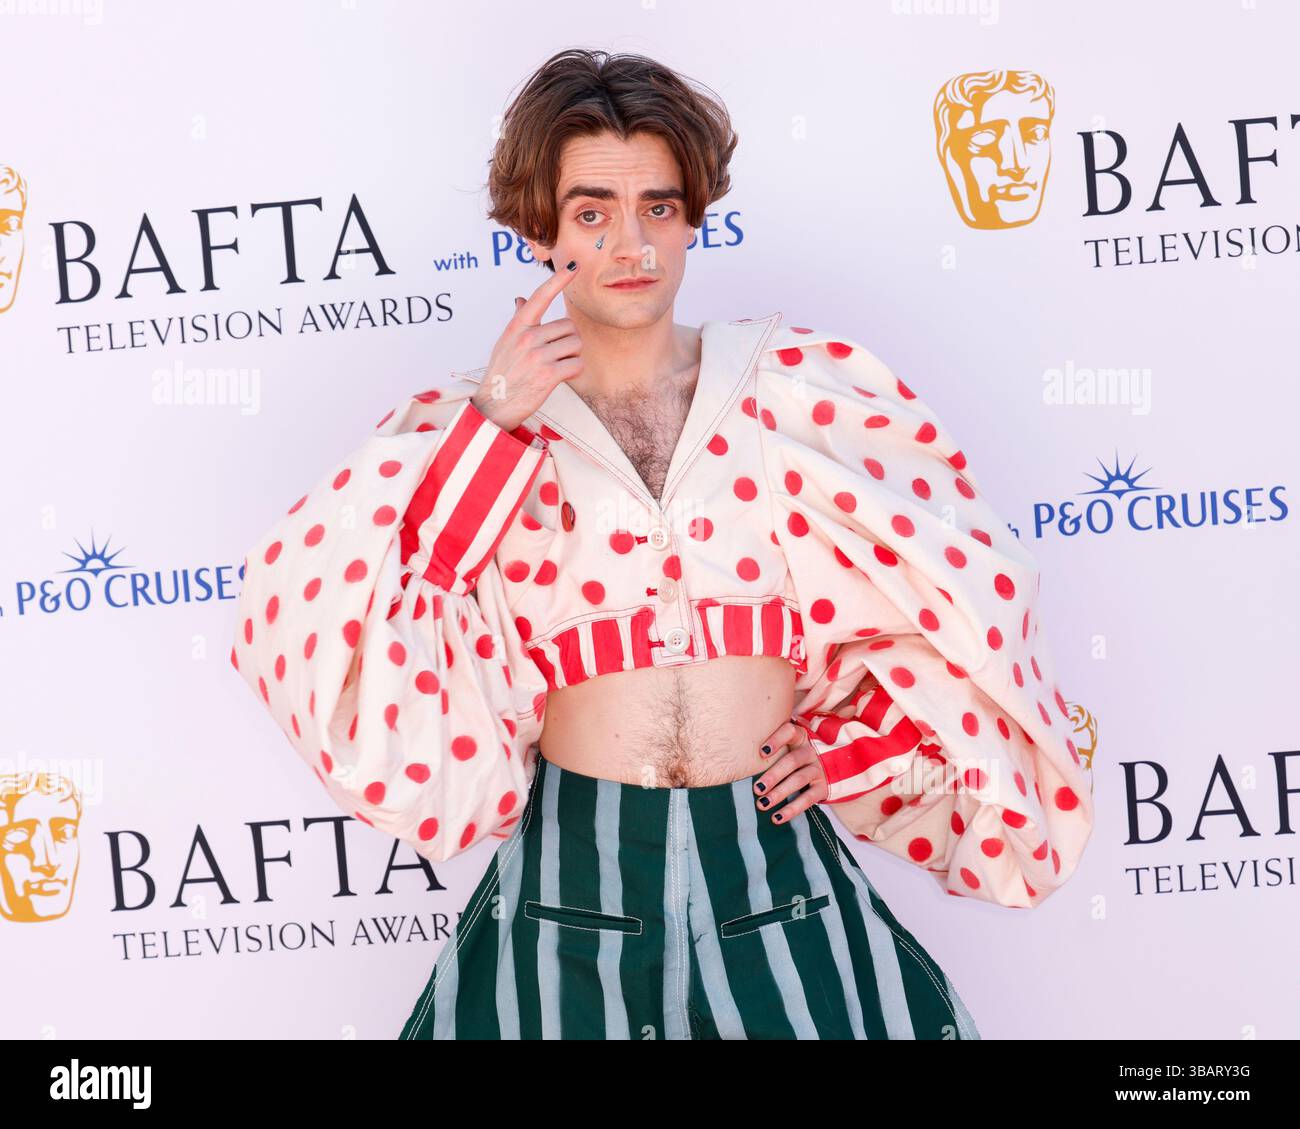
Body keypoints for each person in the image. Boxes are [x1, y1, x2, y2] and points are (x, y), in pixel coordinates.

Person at [230, 48, 1094, 1040]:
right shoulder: (464, 432)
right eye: (592, 212)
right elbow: (360, 621)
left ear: (692, 216)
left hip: (778, 878)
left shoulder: (796, 394)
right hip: (567, 897)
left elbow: (953, 615)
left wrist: (855, 750)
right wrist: (492, 423)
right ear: (539, 229)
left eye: (659, 207)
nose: (629, 242)